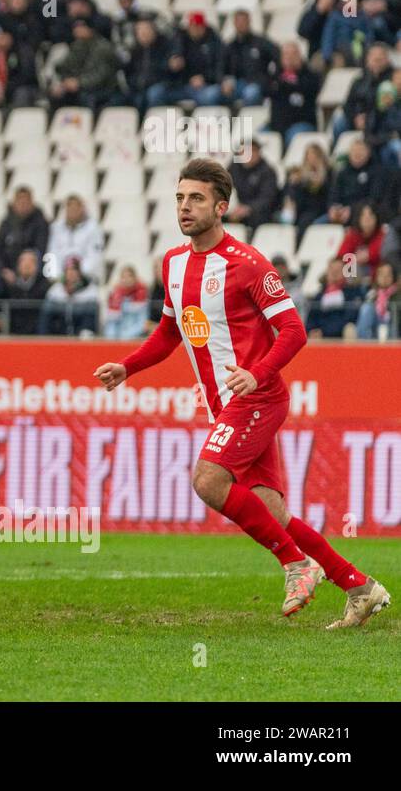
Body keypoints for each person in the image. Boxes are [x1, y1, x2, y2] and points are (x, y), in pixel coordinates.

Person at [95, 158, 390, 629]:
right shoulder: (173, 264)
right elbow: (171, 332)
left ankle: (296, 565)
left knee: (208, 481)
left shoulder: (248, 264)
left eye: (196, 198)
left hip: (259, 398)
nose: (185, 207)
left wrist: (257, 372)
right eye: (179, 198)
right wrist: (128, 367)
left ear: (222, 206)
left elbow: (293, 330)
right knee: (274, 513)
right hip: (227, 405)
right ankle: (358, 586)